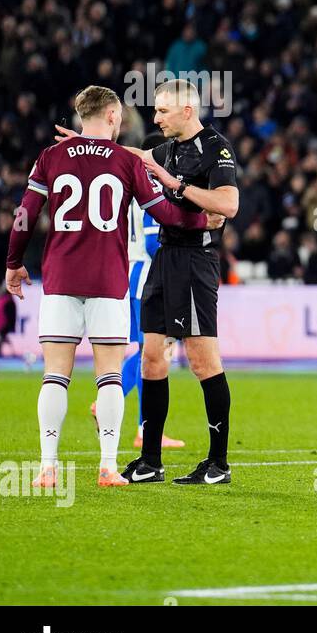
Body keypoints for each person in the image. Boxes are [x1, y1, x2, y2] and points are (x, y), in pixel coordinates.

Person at [5, 85, 214, 488]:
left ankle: (47, 467)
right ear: (115, 116)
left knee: (54, 375)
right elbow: (166, 214)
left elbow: (24, 215)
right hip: (109, 280)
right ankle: (107, 467)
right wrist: (203, 221)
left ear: (82, 115)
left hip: (61, 278)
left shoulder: (50, 157)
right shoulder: (124, 161)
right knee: (110, 376)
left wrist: (14, 263)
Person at [120, 79, 240, 484]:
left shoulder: (216, 149)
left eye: (162, 111)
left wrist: (177, 185)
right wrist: (91, 143)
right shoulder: (168, 149)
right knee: (152, 356)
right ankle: (150, 460)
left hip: (196, 261)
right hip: (164, 258)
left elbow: (228, 204)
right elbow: (137, 156)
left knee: (203, 361)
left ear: (187, 111)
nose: (155, 117)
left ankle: (218, 463)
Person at [88, 133, 185, 450]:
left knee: (150, 352)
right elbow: (150, 240)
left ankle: (142, 426)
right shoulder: (152, 186)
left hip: (134, 277)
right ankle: (141, 427)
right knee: (154, 353)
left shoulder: (131, 185)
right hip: (148, 280)